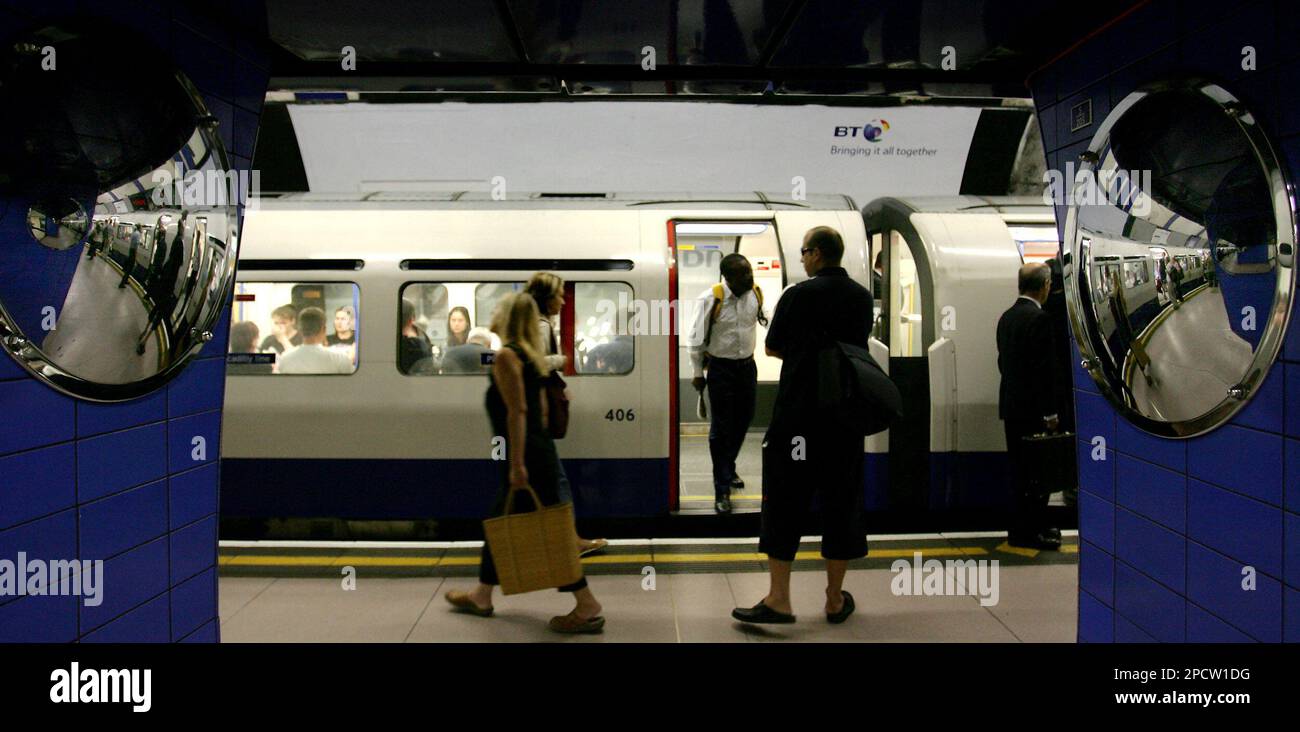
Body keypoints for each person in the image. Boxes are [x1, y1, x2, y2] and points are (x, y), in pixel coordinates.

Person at [732, 226, 872, 626]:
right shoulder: (862, 298)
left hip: (798, 419)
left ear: (816, 255)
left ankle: (779, 599)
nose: (802, 258)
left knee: (785, 501)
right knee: (842, 502)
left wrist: (803, 352)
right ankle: (832, 599)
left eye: (804, 251)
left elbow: (773, 345)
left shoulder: (797, 295)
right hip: (844, 419)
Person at [445, 292, 605, 634]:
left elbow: (518, 411)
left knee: (550, 531)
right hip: (537, 449)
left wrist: (517, 463)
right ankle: (482, 595)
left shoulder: (506, 356)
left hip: (525, 455)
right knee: (502, 518)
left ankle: (587, 604)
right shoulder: (531, 357)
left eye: (498, 310)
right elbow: (543, 412)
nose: (495, 315)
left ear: (507, 318)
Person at [524, 272, 608, 557]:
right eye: (559, 295)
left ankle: (557, 539)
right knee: (554, 480)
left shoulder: (532, 321)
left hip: (533, 415)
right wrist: (561, 360)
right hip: (537, 415)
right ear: (547, 299)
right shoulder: (541, 324)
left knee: (546, 479)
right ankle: (568, 541)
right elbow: (534, 364)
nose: (562, 300)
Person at [687, 253, 767, 514]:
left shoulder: (755, 294)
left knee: (744, 420)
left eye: (750, 271)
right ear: (728, 277)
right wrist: (698, 373)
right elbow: (696, 339)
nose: (749, 277)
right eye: (743, 274)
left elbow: (765, 320)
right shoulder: (711, 299)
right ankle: (721, 489)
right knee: (721, 429)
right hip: (721, 369)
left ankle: (728, 466)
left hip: (747, 367)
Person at [996, 262, 1062, 550]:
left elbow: (1003, 362)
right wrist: (1050, 413)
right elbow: (1043, 372)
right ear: (1045, 285)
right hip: (1033, 410)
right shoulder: (1040, 320)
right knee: (1038, 475)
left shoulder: (1007, 317)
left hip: (1011, 406)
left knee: (1019, 473)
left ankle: (1020, 529)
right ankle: (1031, 532)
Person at [278, 307, 353, 374]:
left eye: (343, 319)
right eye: (337, 318)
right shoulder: (340, 359)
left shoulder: (285, 359)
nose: (339, 322)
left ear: (300, 330)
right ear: (323, 330)